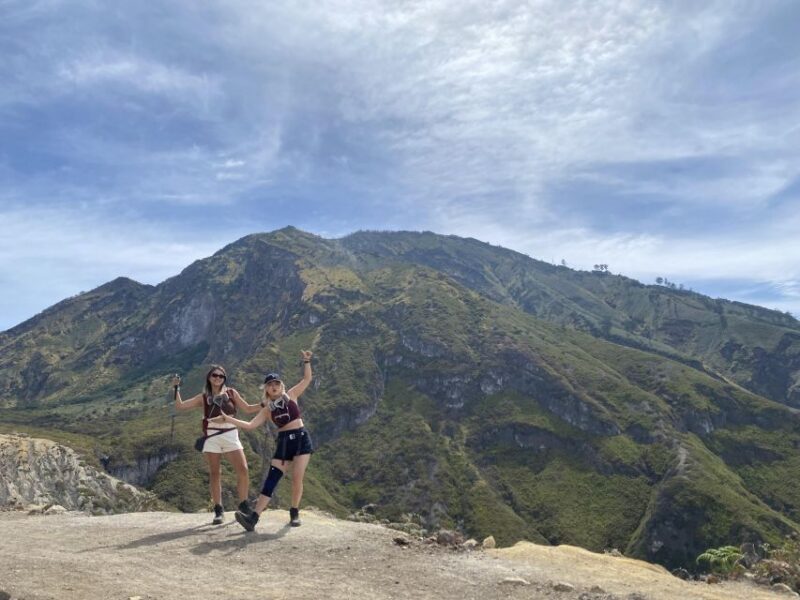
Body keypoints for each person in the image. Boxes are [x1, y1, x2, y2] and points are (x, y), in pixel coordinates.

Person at [209, 350, 314, 531]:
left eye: (276, 383)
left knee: (297, 478)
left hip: (301, 439)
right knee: (271, 480)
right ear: (265, 388)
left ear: (281, 385)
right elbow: (250, 425)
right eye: (270, 384)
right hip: (283, 443)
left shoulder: (292, 395)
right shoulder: (267, 409)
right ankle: (253, 518)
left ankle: (294, 512)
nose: (274, 386)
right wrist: (229, 419)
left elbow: (307, 380)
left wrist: (306, 361)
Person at [172, 365, 261, 524]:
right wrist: (176, 387)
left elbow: (247, 409)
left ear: (224, 378)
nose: (218, 378)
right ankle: (218, 509)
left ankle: (243, 504)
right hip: (212, 436)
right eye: (215, 375)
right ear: (209, 377)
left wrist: (265, 404)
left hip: (230, 434)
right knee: (215, 473)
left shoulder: (232, 393)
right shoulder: (203, 397)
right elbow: (180, 406)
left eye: (221, 376)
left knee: (243, 469)